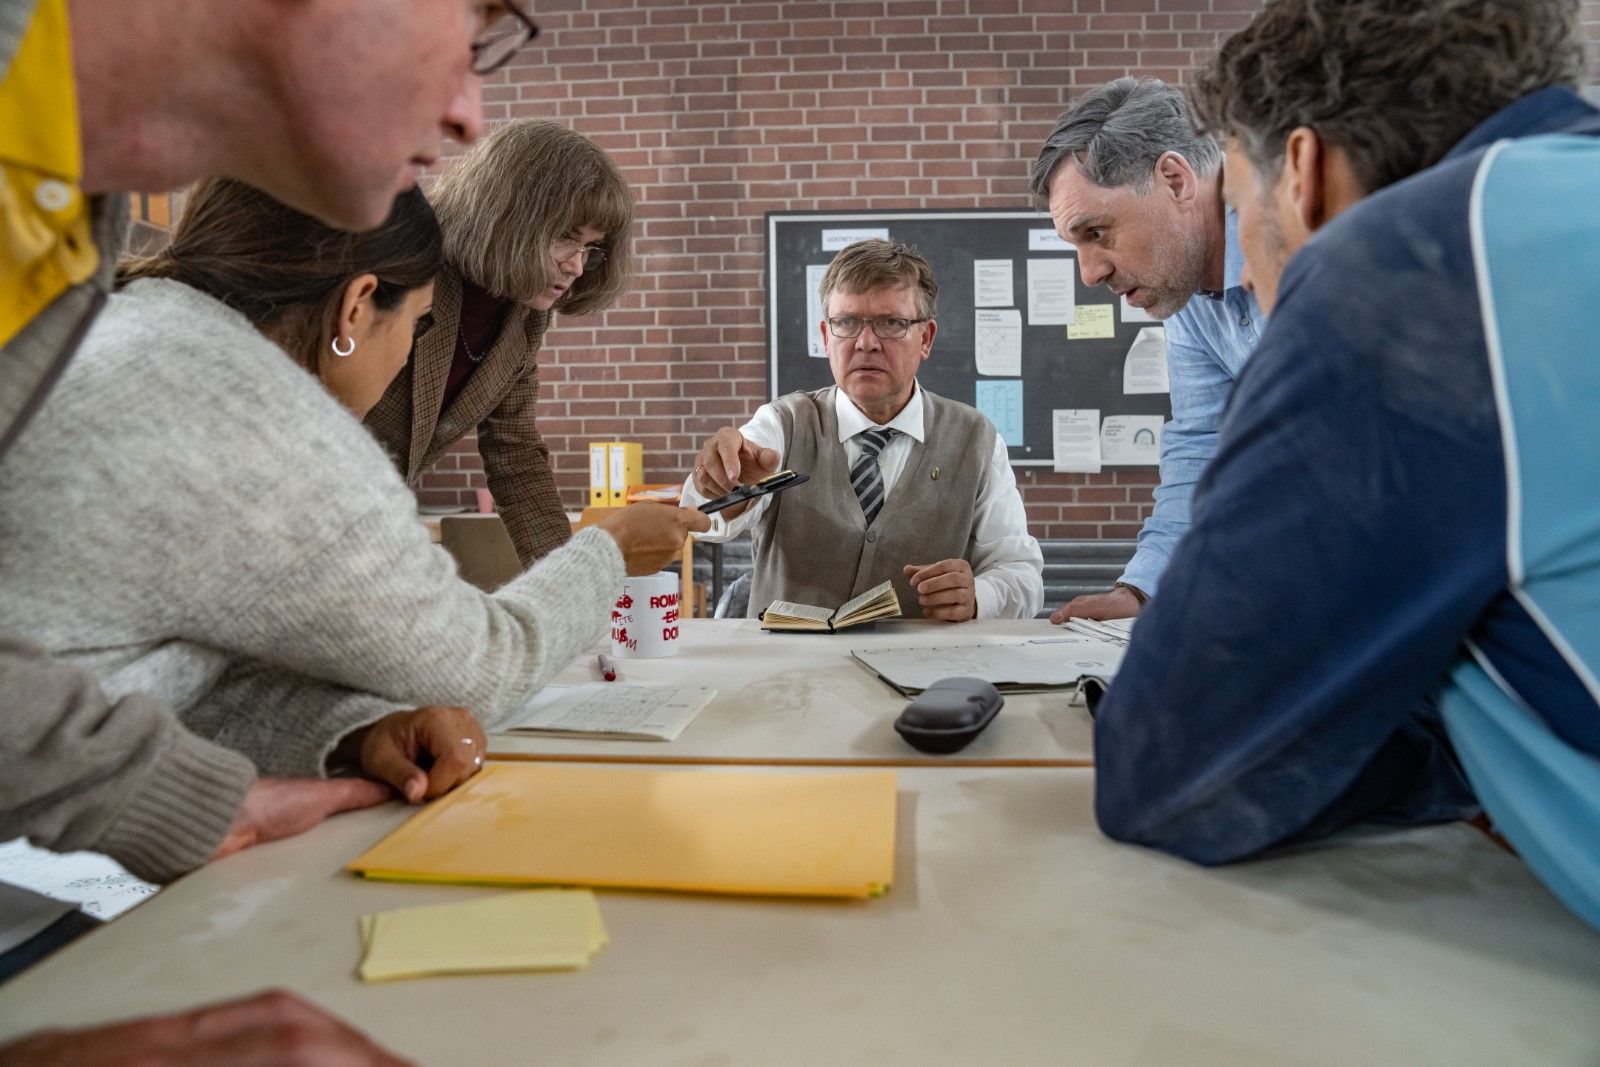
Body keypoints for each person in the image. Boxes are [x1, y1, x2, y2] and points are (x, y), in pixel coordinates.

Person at [1090, 0, 1600, 932]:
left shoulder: (1420, 263)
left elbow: (1170, 762)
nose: (1243, 269)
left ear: (1304, 171)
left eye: (1239, 203)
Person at [0, 177, 707, 802]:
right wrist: (603, 549)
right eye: (418, 322)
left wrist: (348, 734)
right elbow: (480, 669)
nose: (411, 350)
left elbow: (166, 660)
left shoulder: (123, 326)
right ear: (357, 305)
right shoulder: (269, 420)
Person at [684, 239, 1043, 621]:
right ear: (826, 336)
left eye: (891, 323)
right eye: (847, 323)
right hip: (791, 674)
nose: (866, 343)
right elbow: (699, 518)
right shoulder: (782, 424)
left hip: (918, 671)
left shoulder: (975, 439)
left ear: (925, 338)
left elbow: (1022, 575)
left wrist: (978, 597)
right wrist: (730, 486)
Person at [1030, 78, 1264, 623]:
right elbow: (1201, 444)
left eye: (1097, 232)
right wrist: (1140, 592)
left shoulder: (1288, 239)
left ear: (1176, 180)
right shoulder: (1189, 297)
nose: (1089, 274)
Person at [367, 119, 632, 565]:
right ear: (509, 218)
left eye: (591, 248)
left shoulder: (523, 317)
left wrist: (570, 584)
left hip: (366, 516)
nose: (578, 266)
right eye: (567, 237)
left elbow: (517, 458)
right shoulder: (407, 265)